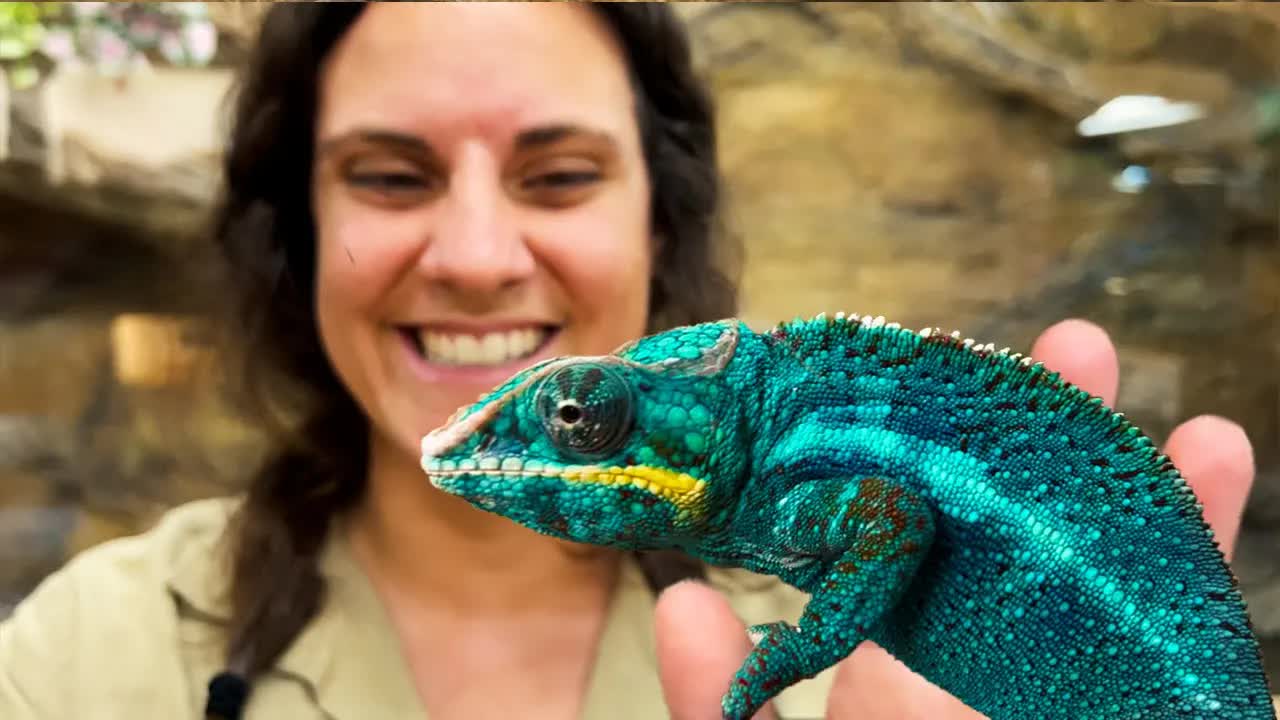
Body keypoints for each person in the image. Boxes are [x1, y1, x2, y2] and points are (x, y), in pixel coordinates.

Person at [0, 4, 1259, 720]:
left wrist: (788, 657)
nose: (479, 255)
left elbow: (885, 516)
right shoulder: (92, 659)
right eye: (390, 175)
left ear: (659, 226)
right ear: (298, 231)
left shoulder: (810, 612)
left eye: (559, 175)